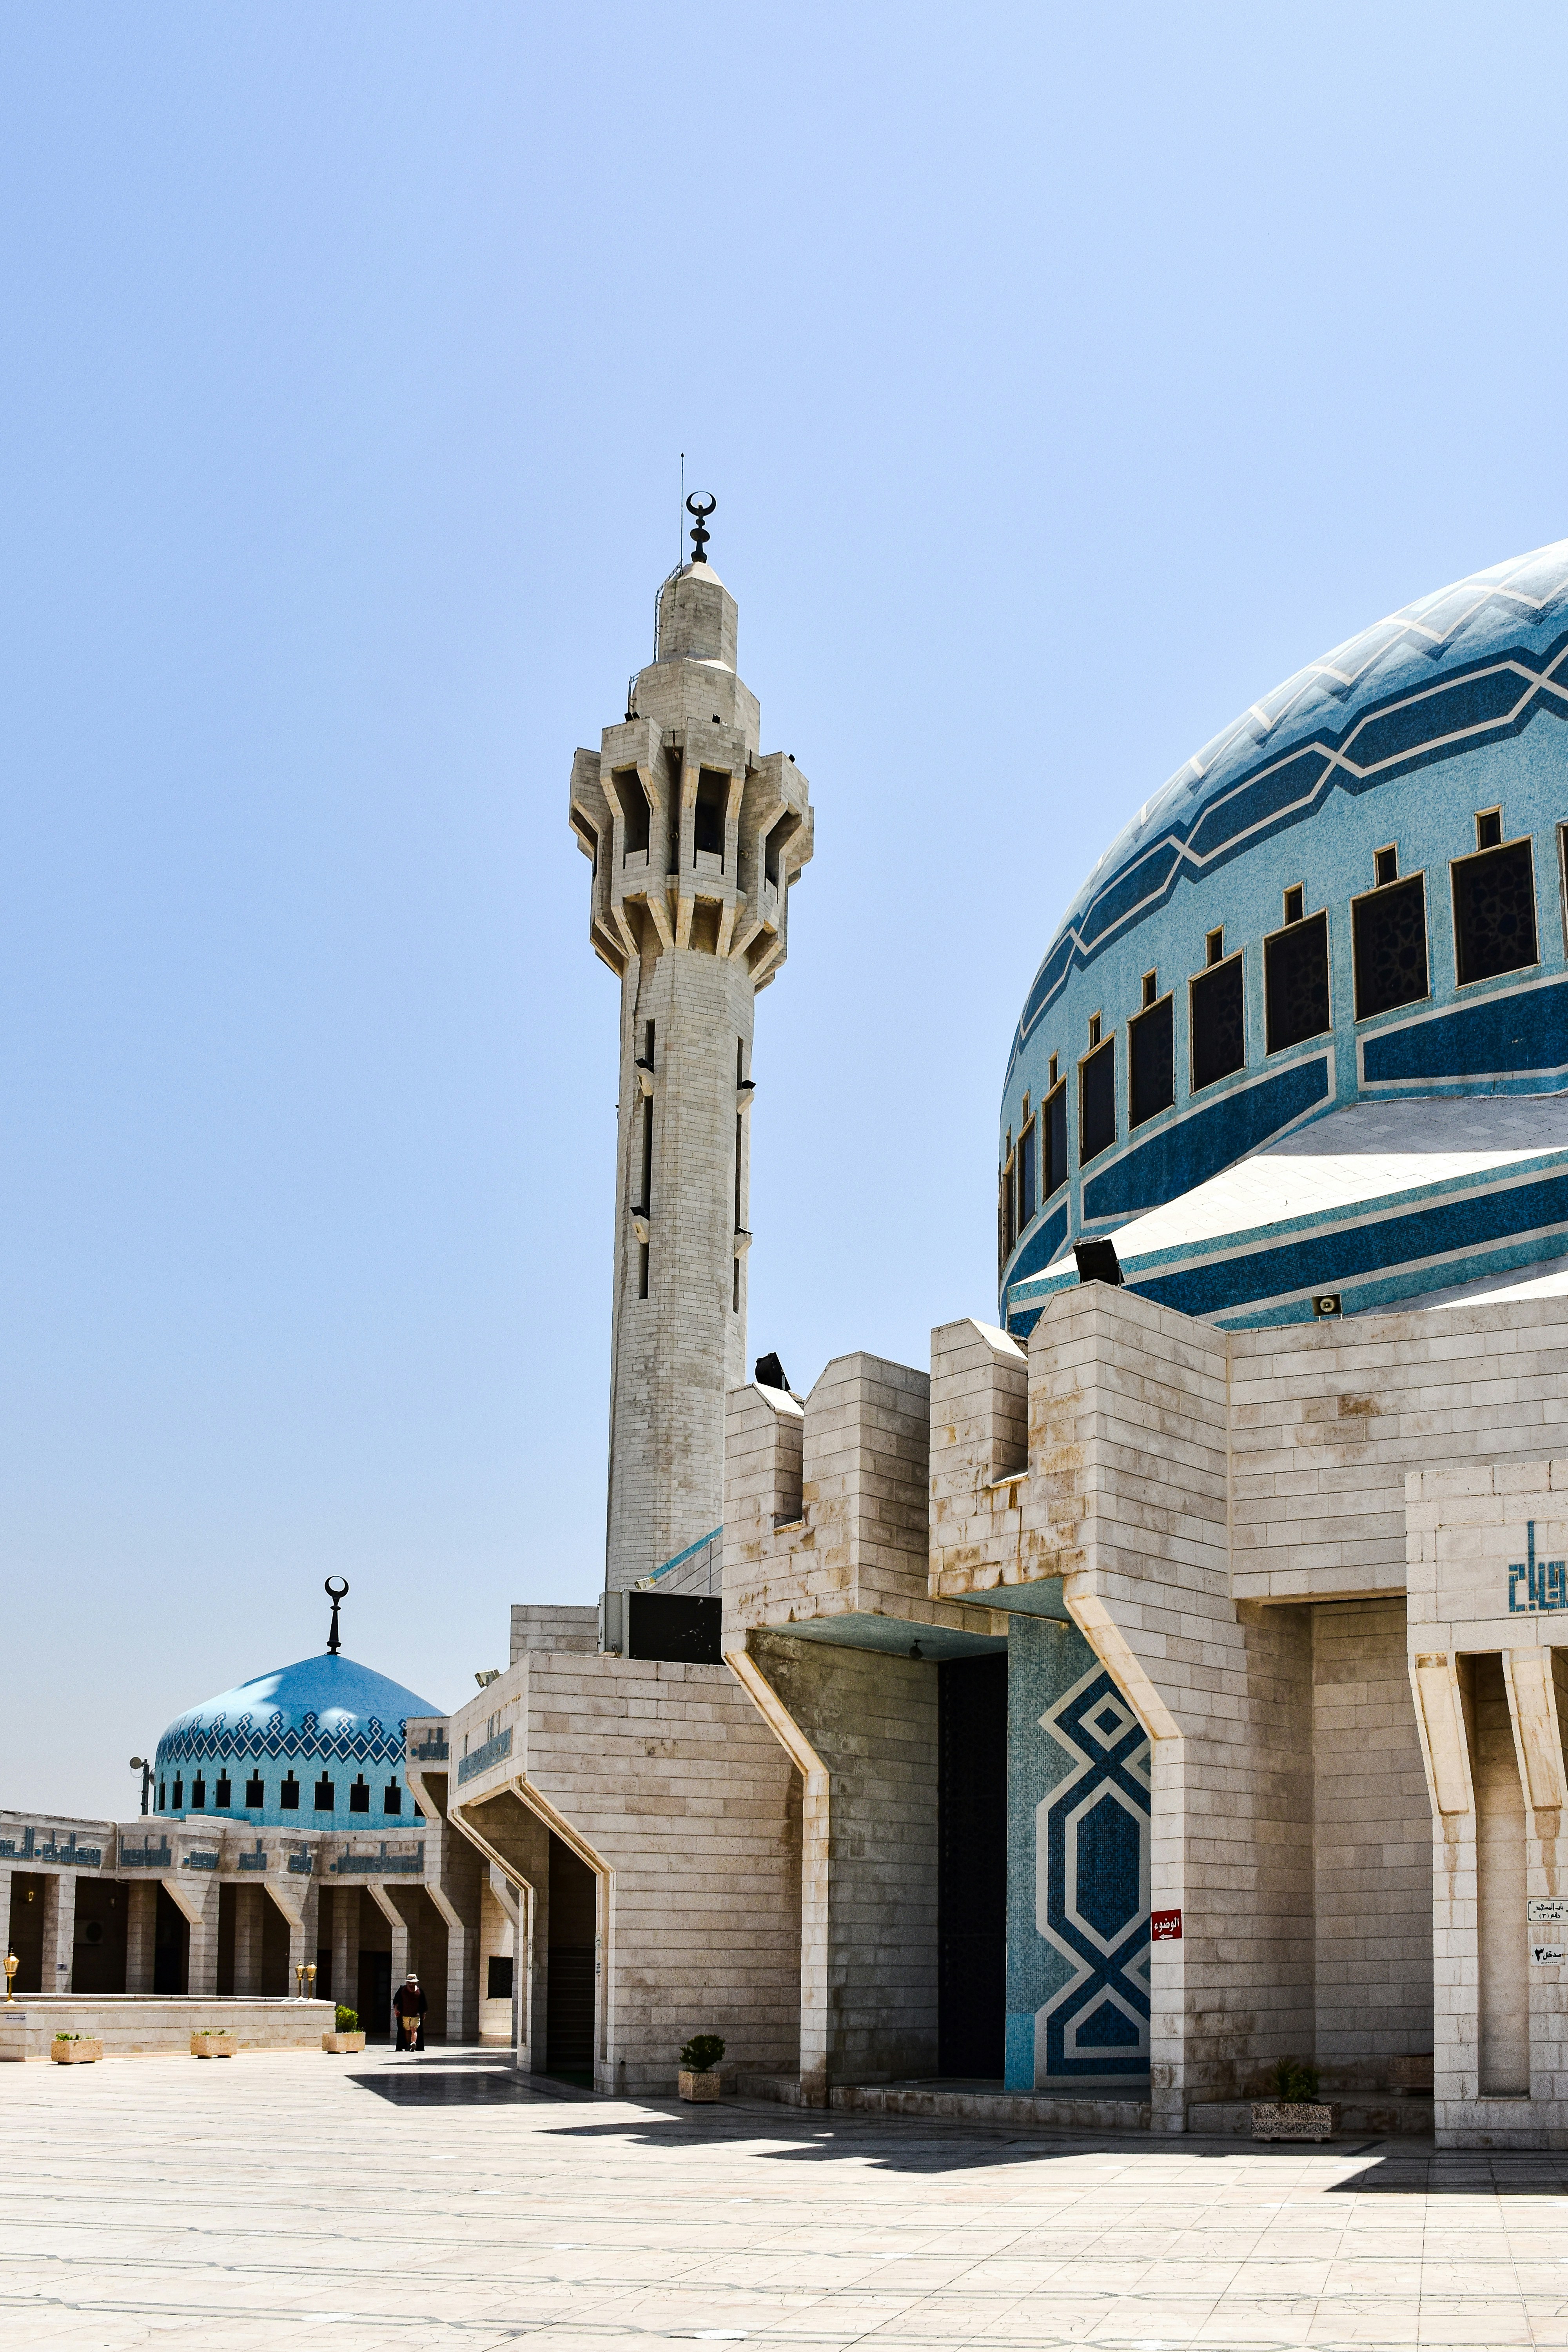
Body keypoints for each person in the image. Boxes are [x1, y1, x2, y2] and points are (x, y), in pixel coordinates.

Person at [393, 1972, 427, 2053]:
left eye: (413, 1983)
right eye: (410, 1983)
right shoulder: (402, 1990)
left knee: (414, 2029)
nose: (411, 1984)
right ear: (408, 1983)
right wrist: (396, 2010)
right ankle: (408, 2044)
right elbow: (396, 2001)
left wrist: (424, 2013)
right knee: (407, 2030)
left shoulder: (420, 1991)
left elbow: (423, 2003)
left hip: (416, 2015)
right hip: (405, 2014)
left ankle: (413, 2043)